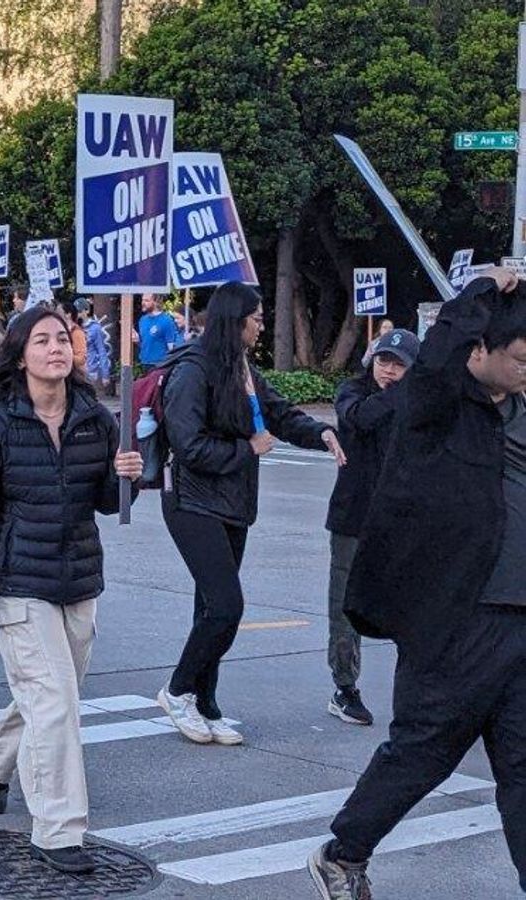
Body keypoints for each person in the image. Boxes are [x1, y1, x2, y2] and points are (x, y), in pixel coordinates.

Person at [309, 267, 526, 900]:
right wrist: (483, 289)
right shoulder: (434, 404)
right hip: (456, 617)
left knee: (522, 766)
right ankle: (342, 854)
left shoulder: (521, 409)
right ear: (478, 351)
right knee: (423, 751)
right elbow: (435, 358)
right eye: (517, 357)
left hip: (520, 617)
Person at [0, 308, 143, 875]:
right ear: (20, 354)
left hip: (79, 581)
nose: (56, 347)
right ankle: (57, 830)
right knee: (54, 705)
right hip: (21, 585)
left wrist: (129, 473)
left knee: (52, 697)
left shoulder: (97, 420)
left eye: (63, 338)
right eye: (42, 339)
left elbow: (108, 501)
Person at [157, 282, 346, 746]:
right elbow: (188, 445)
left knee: (210, 608)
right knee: (226, 606)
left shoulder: (240, 369)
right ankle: (177, 690)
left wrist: (320, 433)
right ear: (234, 319)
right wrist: (247, 450)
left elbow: (279, 415)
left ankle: (207, 704)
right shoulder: (192, 371)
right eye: (257, 317)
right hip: (191, 501)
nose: (261, 325)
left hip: (232, 503)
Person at [322, 328, 418, 727]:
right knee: (345, 605)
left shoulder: (420, 404)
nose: (389, 371)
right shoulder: (352, 391)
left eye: (399, 365)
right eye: (384, 361)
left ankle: (417, 692)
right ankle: (344, 686)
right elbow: (359, 418)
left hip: (402, 519)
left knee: (410, 607)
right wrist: (407, 389)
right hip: (353, 516)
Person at [136, 294, 184, 365]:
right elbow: (144, 344)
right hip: (144, 363)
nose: (143, 303)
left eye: (146, 300)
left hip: (160, 364)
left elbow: (171, 346)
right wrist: (137, 341)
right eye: (142, 300)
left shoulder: (166, 320)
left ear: (155, 302)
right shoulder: (142, 320)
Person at [77, 299, 112, 388]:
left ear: (87, 311)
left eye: (80, 311)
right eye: (76, 311)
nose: (78, 314)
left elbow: (101, 350)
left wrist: (105, 374)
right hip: (76, 368)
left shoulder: (95, 328)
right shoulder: (73, 327)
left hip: (90, 370)